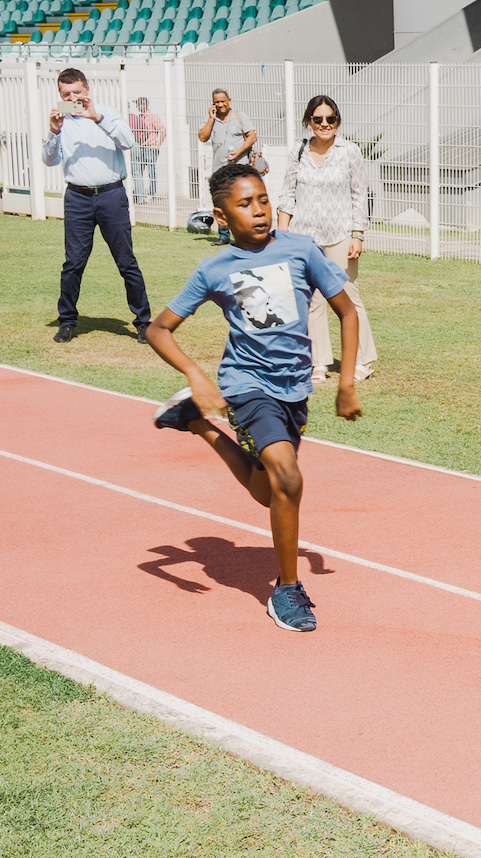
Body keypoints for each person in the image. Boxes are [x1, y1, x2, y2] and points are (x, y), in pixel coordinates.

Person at [144, 163, 364, 632]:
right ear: (222, 217)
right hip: (246, 385)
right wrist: (197, 375)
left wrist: (345, 383)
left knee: (270, 492)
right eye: (245, 204)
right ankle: (286, 590)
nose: (259, 211)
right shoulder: (214, 269)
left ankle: (196, 423)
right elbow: (158, 329)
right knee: (288, 477)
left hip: (295, 389)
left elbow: (347, 312)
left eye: (262, 199)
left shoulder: (300, 249)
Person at [43, 67, 152, 345]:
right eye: (66, 94)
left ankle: (143, 323)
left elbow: (128, 142)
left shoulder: (108, 112)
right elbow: (49, 160)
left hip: (111, 195)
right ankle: (67, 321)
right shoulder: (61, 121)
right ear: (60, 94)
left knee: (126, 261)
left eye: (77, 92)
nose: (72, 97)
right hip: (77, 198)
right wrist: (53, 133)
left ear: (87, 89)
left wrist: (98, 118)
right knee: (73, 263)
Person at [277, 95, 378, 384]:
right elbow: (287, 194)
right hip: (304, 237)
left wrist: (357, 235)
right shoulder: (299, 151)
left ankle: (363, 359)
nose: (324, 124)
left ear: (338, 121)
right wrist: (283, 236)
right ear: (309, 120)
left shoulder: (349, 152)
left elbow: (360, 195)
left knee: (348, 297)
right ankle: (318, 363)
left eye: (330, 119)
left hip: (340, 235)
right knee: (312, 301)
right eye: (318, 119)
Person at [197, 88, 259, 245]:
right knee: (221, 201)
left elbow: (252, 137)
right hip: (219, 169)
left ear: (229, 101)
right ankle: (223, 236)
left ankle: (246, 234)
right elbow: (202, 137)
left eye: (222, 101)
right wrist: (211, 118)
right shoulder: (211, 118)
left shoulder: (239, 116)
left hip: (239, 168)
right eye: (216, 102)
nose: (220, 105)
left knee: (242, 200)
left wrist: (238, 152)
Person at [128, 96, 164, 205]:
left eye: (139, 105)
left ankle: (151, 194)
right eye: (137, 105)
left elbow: (162, 130)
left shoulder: (152, 116)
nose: (137, 107)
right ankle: (140, 193)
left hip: (150, 148)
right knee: (140, 171)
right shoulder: (140, 117)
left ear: (144, 105)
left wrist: (157, 144)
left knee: (151, 172)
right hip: (141, 147)